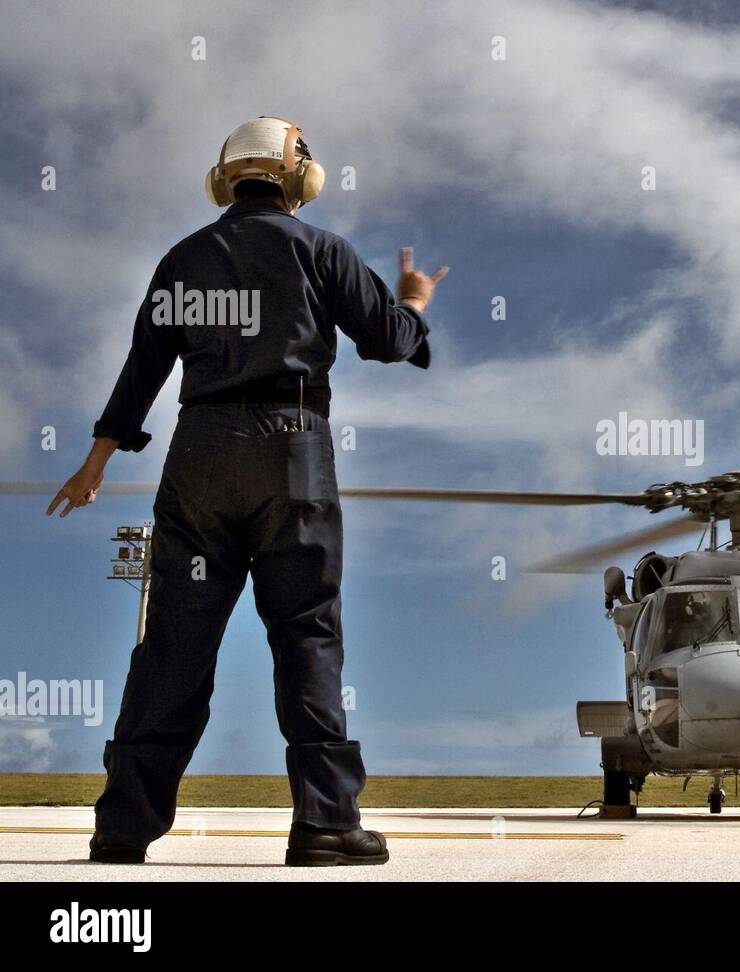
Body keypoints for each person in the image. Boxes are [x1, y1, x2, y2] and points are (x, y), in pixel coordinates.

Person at [46, 116, 449, 866]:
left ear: (229, 179)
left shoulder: (183, 257)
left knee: (171, 644)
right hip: (290, 452)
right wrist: (416, 303)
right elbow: (388, 341)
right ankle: (326, 822)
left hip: (197, 453)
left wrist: (96, 463)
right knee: (305, 632)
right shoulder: (321, 249)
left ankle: (123, 825)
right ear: (297, 178)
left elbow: (143, 370)